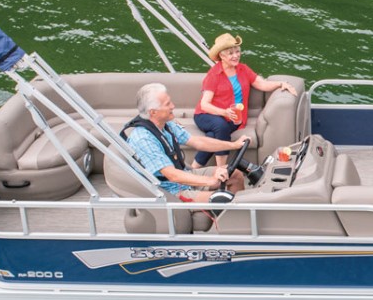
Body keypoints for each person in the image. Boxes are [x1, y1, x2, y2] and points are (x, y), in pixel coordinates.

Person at [125, 82, 248, 202]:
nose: (173, 106)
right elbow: (173, 175)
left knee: (235, 175)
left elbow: (197, 142)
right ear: (153, 112)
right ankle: (231, 217)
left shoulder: (166, 124)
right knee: (223, 199)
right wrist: (210, 180)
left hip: (183, 176)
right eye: (168, 104)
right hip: (171, 192)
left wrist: (234, 145)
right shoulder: (144, 139)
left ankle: (239, 216)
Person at [193, 32, 298, 166]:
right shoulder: (213, 75)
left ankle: (194, 168)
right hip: (206, 115)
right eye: (230, 53)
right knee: (221, 127)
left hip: (234, 117)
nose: (236, 55)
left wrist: (281, 84)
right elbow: (205, 105)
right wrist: (224, 112)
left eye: (237, 51)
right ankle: (222, 170)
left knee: (213, 136)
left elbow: (261, 84)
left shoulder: (243, 69)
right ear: (221, 56)